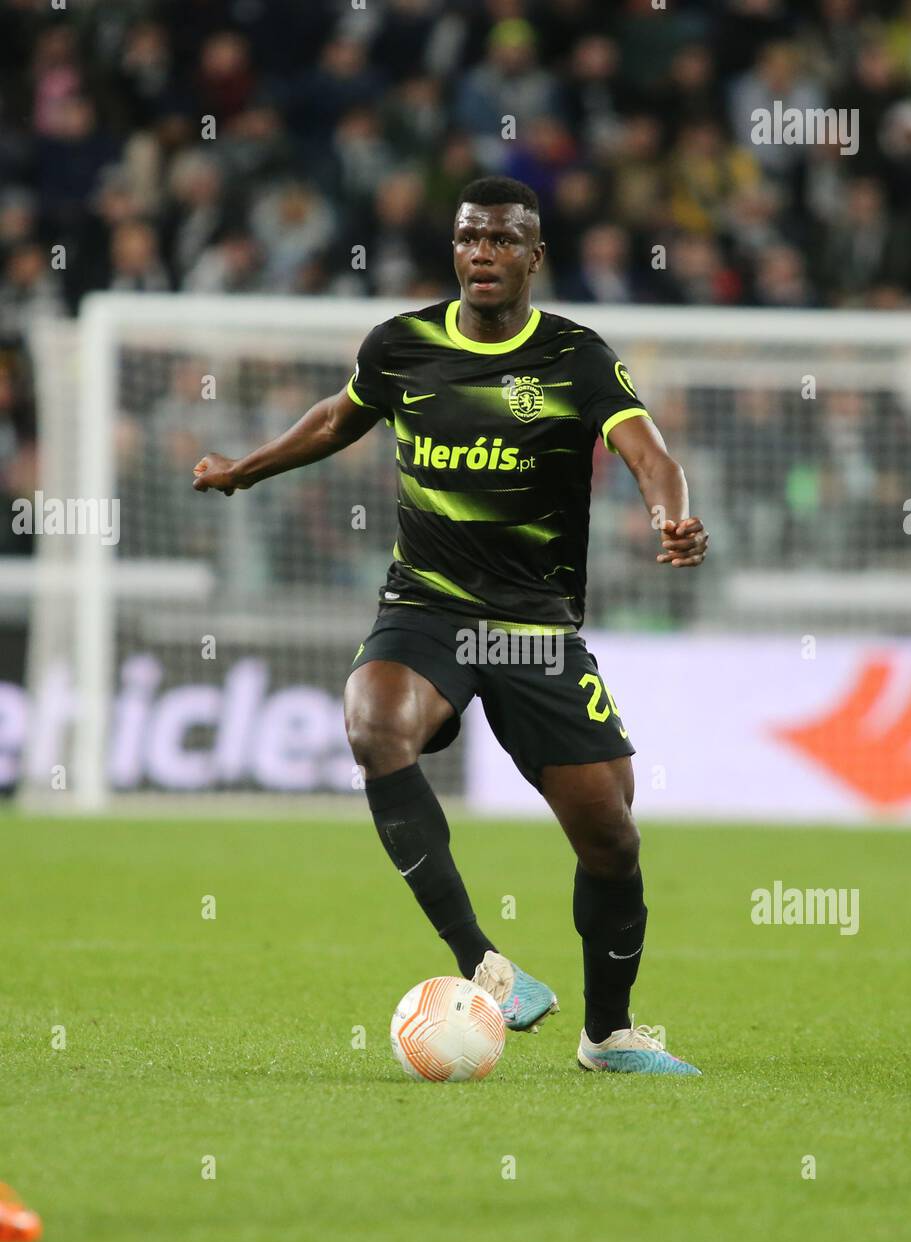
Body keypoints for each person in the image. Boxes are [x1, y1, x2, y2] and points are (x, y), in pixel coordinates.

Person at [194, 176, 709, 1075]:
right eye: (470, 237)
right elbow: (332, 420)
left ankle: (609, 1034)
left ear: (533, 255)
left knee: (611, 835)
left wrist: (672, 515)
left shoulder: (576, 357)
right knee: (371, 722)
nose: (483, 253)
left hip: (535, 626)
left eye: (504, 240)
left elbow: (648, 453)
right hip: (426, 604)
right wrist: (246, 470)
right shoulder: (400, 346)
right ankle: (484, 964)